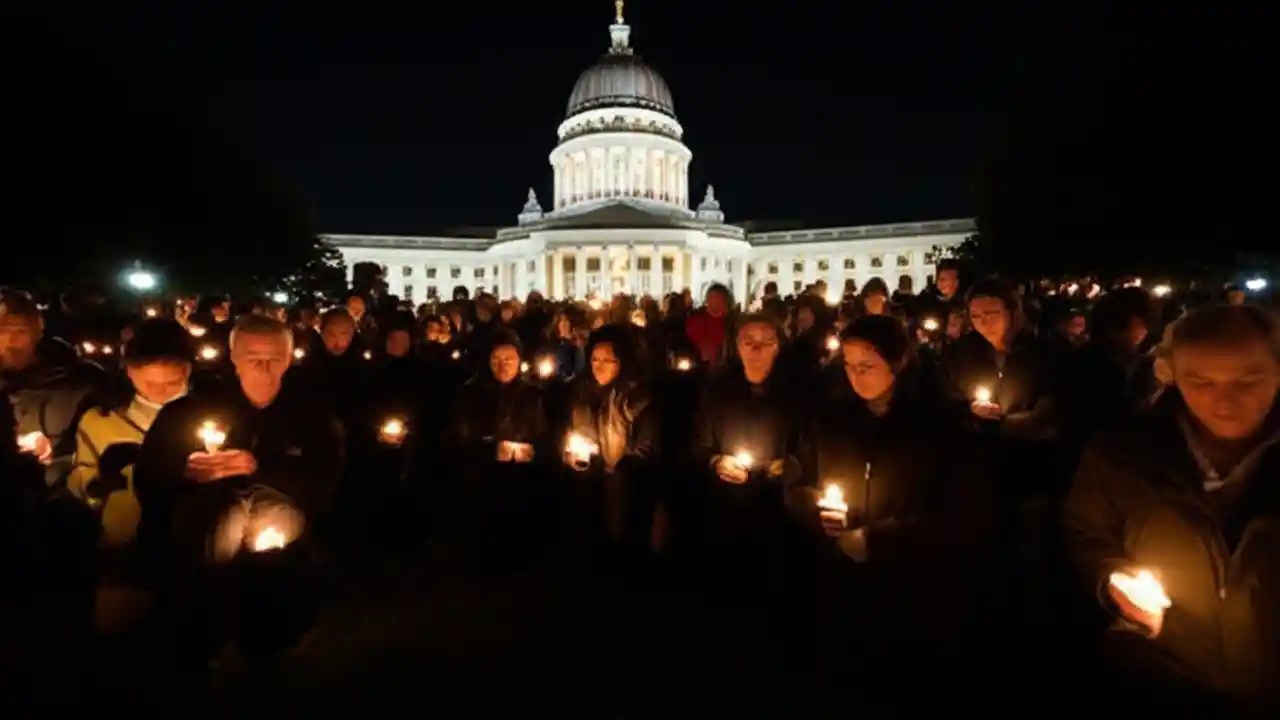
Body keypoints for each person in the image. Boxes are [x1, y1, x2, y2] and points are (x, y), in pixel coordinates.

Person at [1064, 305, 1280, 714]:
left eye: (1249, 380)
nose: (1225, 399)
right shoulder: (1122, 453)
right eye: (1201, 380)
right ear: (1171, 374)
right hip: (1163, 678)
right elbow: (1086, 532)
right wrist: (1112, 578)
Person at [1, 288, 107, 486]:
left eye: (19, 331)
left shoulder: (83, 381)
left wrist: (58, 454)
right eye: (1, 332)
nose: (10, 341)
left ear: (37, 331)